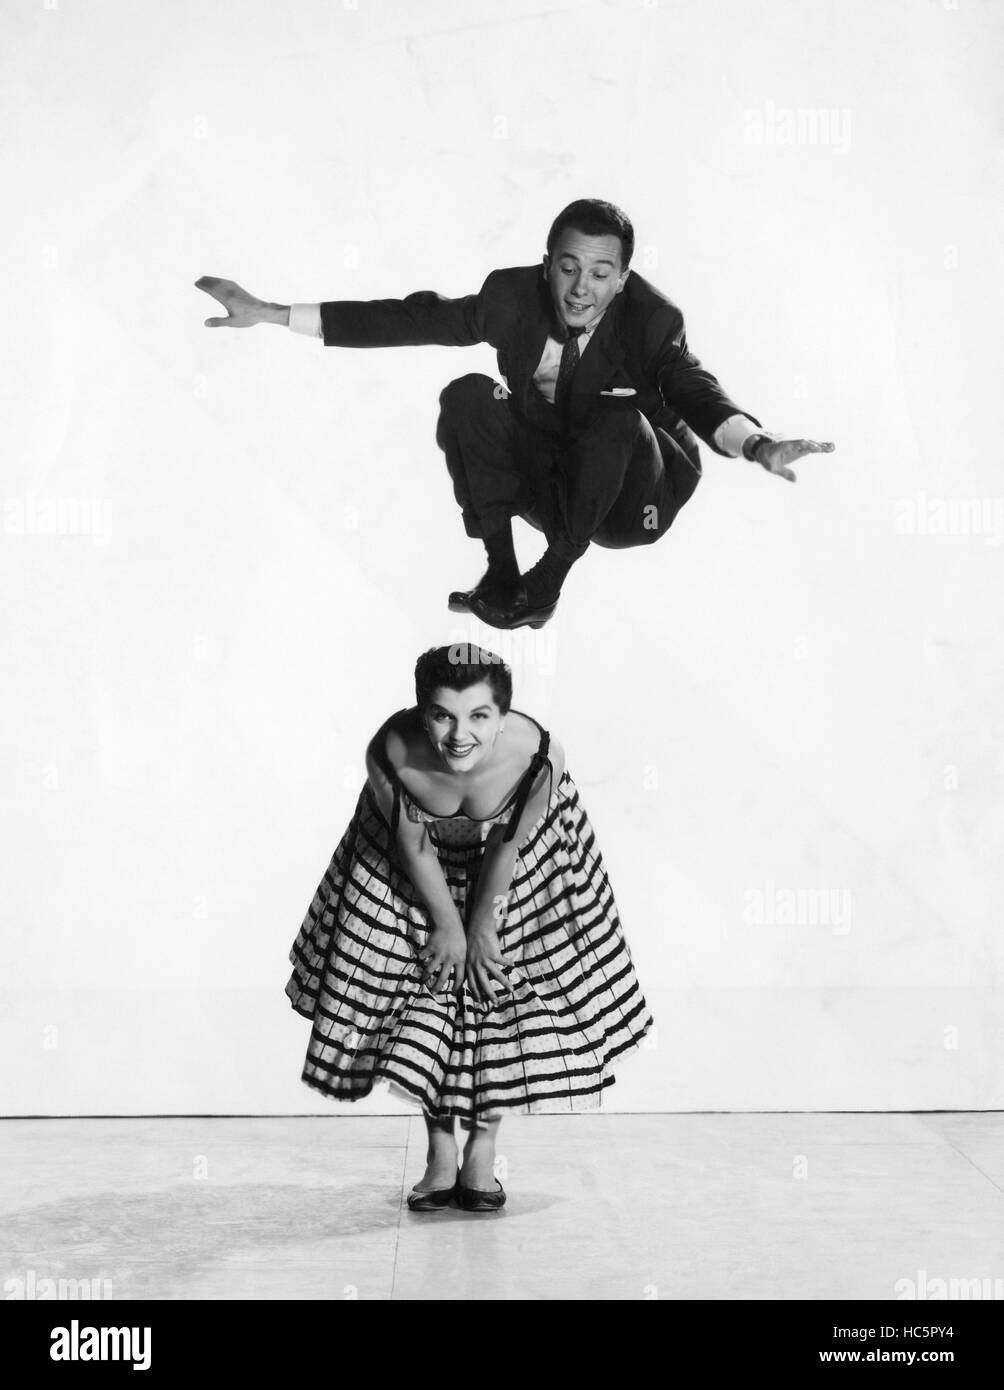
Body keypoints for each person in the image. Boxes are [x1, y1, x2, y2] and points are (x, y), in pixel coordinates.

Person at [197, 197, 834, 629]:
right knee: (469, 394)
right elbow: (417, 317)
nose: (581, 288)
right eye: (569, 267)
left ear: (622, 278)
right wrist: (276, 314)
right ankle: (503, 577)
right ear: (549, 263)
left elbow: (693, 386)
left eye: (601, 273)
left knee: (616, 416)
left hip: (634, 494)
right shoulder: (511, 296)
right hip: (552, 476)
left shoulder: (652, 321)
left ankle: (548, 580)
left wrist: (755, 444)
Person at [285, 644, 653, 1212]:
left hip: (523, 849)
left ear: (502, 716)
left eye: (479, 715)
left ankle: (483, 1151)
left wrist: (480, 931)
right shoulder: (390, 753)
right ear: (420, 711)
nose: (460, 734)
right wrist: (447, 929)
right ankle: (439, 1155)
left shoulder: (538, 757)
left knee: (496, 979)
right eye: (442, 715)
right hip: (408, 851)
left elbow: (506, 847)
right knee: (424, 978)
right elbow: (412, 845)